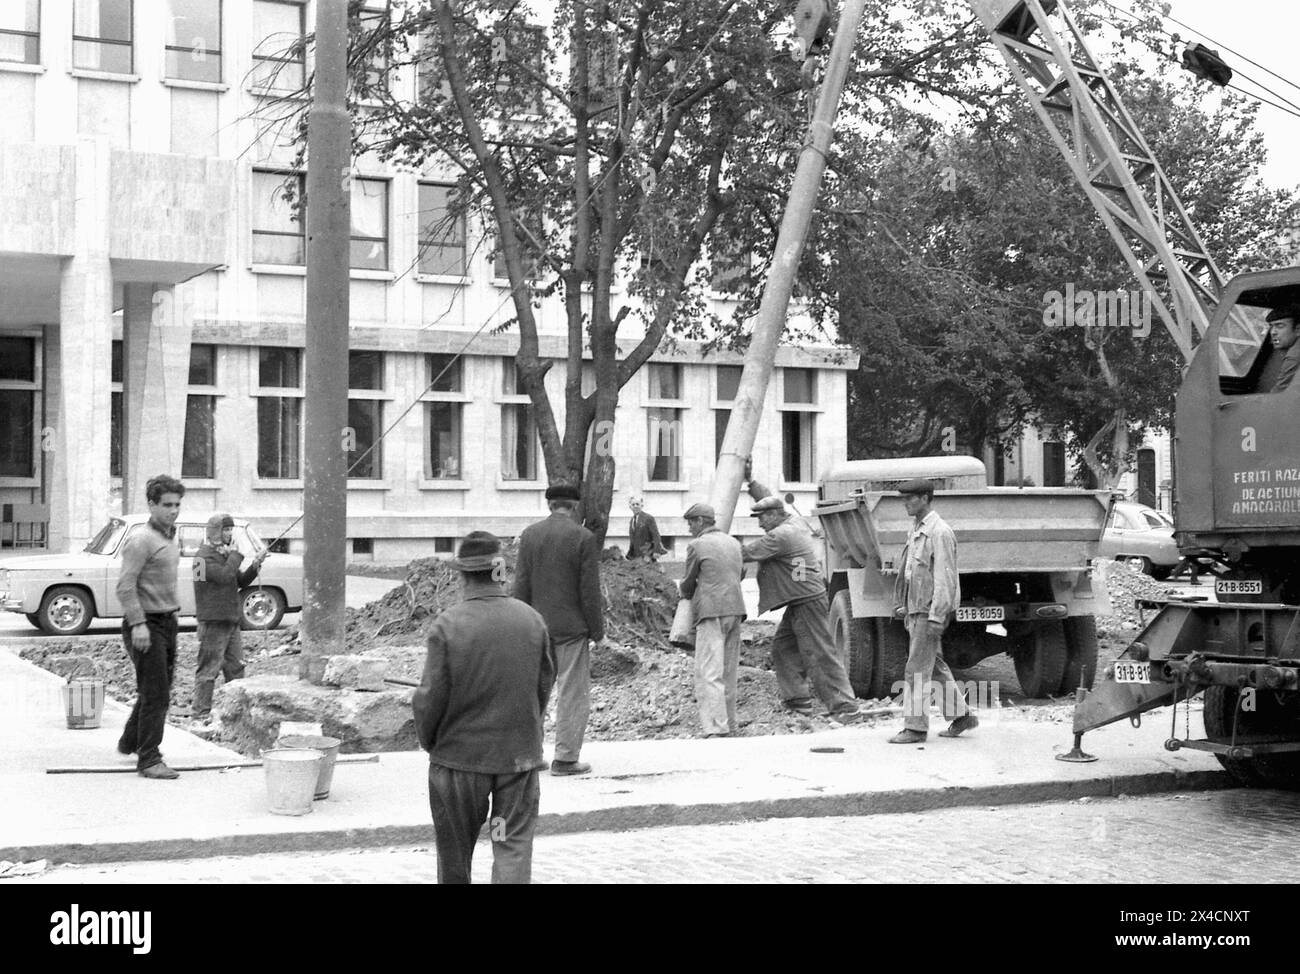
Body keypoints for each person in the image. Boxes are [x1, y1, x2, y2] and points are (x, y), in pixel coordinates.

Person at [413, 532, 555, 884]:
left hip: (460, 766)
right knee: (506, 842)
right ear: (499, 571)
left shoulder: (448, 626)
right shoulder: (531, 620)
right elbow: (543, 684)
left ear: (461, 575)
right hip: (514, 766)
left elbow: (429, 698)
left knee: (456, 852)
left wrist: (432, 743)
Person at [742, 470, 864, 723]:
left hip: (806, 601)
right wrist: (751, 483)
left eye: (762, 518)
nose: (759, 524)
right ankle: (798, 702)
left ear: (775, 516)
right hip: (802, 599)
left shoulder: (780, 536)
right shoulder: (792, 523)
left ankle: (844, 707)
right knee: (784, 649)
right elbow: (769, 498)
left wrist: (715, 539)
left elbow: (744, 553)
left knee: (819, 652)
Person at [513, 484, 605, 775]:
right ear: (574, 506)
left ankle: (529, 755)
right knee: (572, 694)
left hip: (535, 627)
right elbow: (588, 591)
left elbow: (521, 584)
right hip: (571, 629)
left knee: (532, 693)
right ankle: (565, 758)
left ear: (550, 504)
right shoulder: (583, 538)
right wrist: (597, 631)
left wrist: (519, 623)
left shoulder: (530, 535)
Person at [889, 478, 977, 744]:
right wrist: (905, 605)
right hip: (917, 610)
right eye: (904, 498)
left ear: (926, 498)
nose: (905, 502)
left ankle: (915, 728)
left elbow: (945, 578)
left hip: (928, 612)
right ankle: (961, 716)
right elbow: (911, 572)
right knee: (933, 666)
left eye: (911, 498)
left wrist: (937, 616)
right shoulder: (917, 529)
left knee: (916, 669)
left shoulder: (939, 532)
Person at [115, 474, 186, 779]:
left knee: (156, 688)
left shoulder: (169, 537)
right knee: (157, 693)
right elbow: (124, 586)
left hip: (167, 623)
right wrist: (139, 625)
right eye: (167, 504)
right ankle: (149, 759)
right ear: (152, 504)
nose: (173, 510)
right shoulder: (141, 540)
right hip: (146, 625)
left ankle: (130, 741)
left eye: (177, 504)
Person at [191, 513, 267, 720]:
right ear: (215, 532)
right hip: (213, 622)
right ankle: (200, 713)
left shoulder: (223, 556)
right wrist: (236, 555)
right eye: (226, 530)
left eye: (230, 530)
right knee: (209, 669)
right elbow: (225, 577)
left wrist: (255, 565)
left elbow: (239, 580)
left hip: (230, 621)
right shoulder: (203, 557)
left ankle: (234, 714)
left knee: (235, 668)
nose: (229, 534)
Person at [680, 502, 746, 737]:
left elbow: (688, 583)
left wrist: (685, 595)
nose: (689, 528)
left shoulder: (697, 545)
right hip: (736, 609)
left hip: (710, 612)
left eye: (690, 523)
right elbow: (742, 573)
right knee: (729, 670)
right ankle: (731, 723)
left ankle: (716, 728)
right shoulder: (734, 543)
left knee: (709, 670)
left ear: (700, 522)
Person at [1262, 306, 1300, 392]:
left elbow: (1277, 395)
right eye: (1271, 326)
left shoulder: (1294, 357)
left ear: (1298, 330)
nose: (1273, 332)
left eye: (1279, 326)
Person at [626, 496, 667, 561]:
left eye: (637, 504)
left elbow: (656, 535)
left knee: (649, 569)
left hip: (647, 552)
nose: (635, 506)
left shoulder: (648, 518)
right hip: (636, 554)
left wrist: (656, 551)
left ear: (642, 505)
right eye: (633, 504)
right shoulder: (632, 520)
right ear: (630, 507)